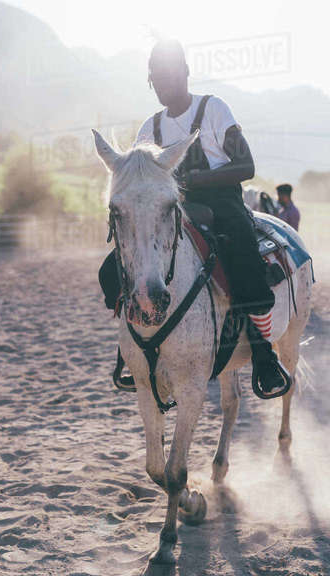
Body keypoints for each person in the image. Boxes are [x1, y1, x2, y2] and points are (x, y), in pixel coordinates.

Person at [99, 39, 289, 397]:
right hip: (170, 207)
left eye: (166, 74)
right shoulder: (148, 129)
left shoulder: (214, 109)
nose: (160, 82)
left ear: (185, 72)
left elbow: (246, 166)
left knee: (244, 257)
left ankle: (263, 354)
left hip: (222, 203)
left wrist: (193, 179)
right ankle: (131, 348)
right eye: (154, 77)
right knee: (115, 268)